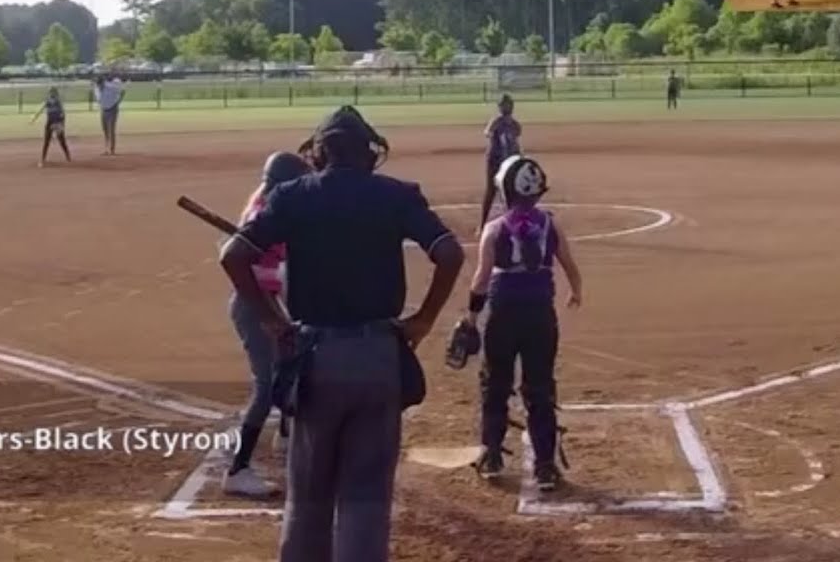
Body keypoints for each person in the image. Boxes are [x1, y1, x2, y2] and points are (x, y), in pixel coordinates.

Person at [219, 105, 465, 562]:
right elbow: (448, 253)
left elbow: (234, 255)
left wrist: (272, 319)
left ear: (319, 153)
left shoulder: (292, 195)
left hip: (316, 358)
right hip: (378, 357)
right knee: (365, 500)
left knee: (309, 496)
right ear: (370, 153)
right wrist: (425, 318)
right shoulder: (397, 195)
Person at [466, 155, 582, 491]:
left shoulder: (494, 229)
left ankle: (491, 454)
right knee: (540, 387)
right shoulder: (550, 224)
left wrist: (471, 317)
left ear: (504, 189)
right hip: (540, 316)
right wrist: (576, 291)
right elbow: (569, 265)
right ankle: (545, 465)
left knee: (496, 385)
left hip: (502, 315)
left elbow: (481, 279)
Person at [222, 151, 310, 498]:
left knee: (292, 361)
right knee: (267, 384)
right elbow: (238, 263)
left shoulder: (269, 206)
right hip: (254, 305)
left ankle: (286, 436)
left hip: (268, 300)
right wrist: (268, 315)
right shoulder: (263, 212)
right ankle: (238, 469)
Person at [478, 94, 522, 235]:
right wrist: (494, 133)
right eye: (503, 105)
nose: (506, 107)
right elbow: (487, 132)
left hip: (508, 161)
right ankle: (482, 224)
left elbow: (517, 138)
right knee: (491, 191)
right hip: (495, 159)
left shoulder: (514, 124)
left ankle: (512, 222)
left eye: (508, 104)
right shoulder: (497, 121)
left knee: (510, 192)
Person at [30, 87, 72, 167]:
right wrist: (34, 118)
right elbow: (41, 110)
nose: (52, 94)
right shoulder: (47, 101)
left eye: (53, 92)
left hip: (57, 122)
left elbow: (63, 113)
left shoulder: (58, 102)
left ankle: (68, 155)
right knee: (46, 140)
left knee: (62, 140)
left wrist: (61, 124)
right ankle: (43, 158)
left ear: (56, 93)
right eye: (51, 92)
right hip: (50, 122)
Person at [94, 76, 125, 155]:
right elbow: (99, 100)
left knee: (111, 130)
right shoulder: (96, 89)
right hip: (104, 110)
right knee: (105, 130)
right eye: (98, 84)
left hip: (112, 109)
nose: (99, 85)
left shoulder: (111, 87)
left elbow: (122, 91)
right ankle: (106, 149)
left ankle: (112, 150)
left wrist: (118, 102)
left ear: (103, 82)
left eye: (100, 83)